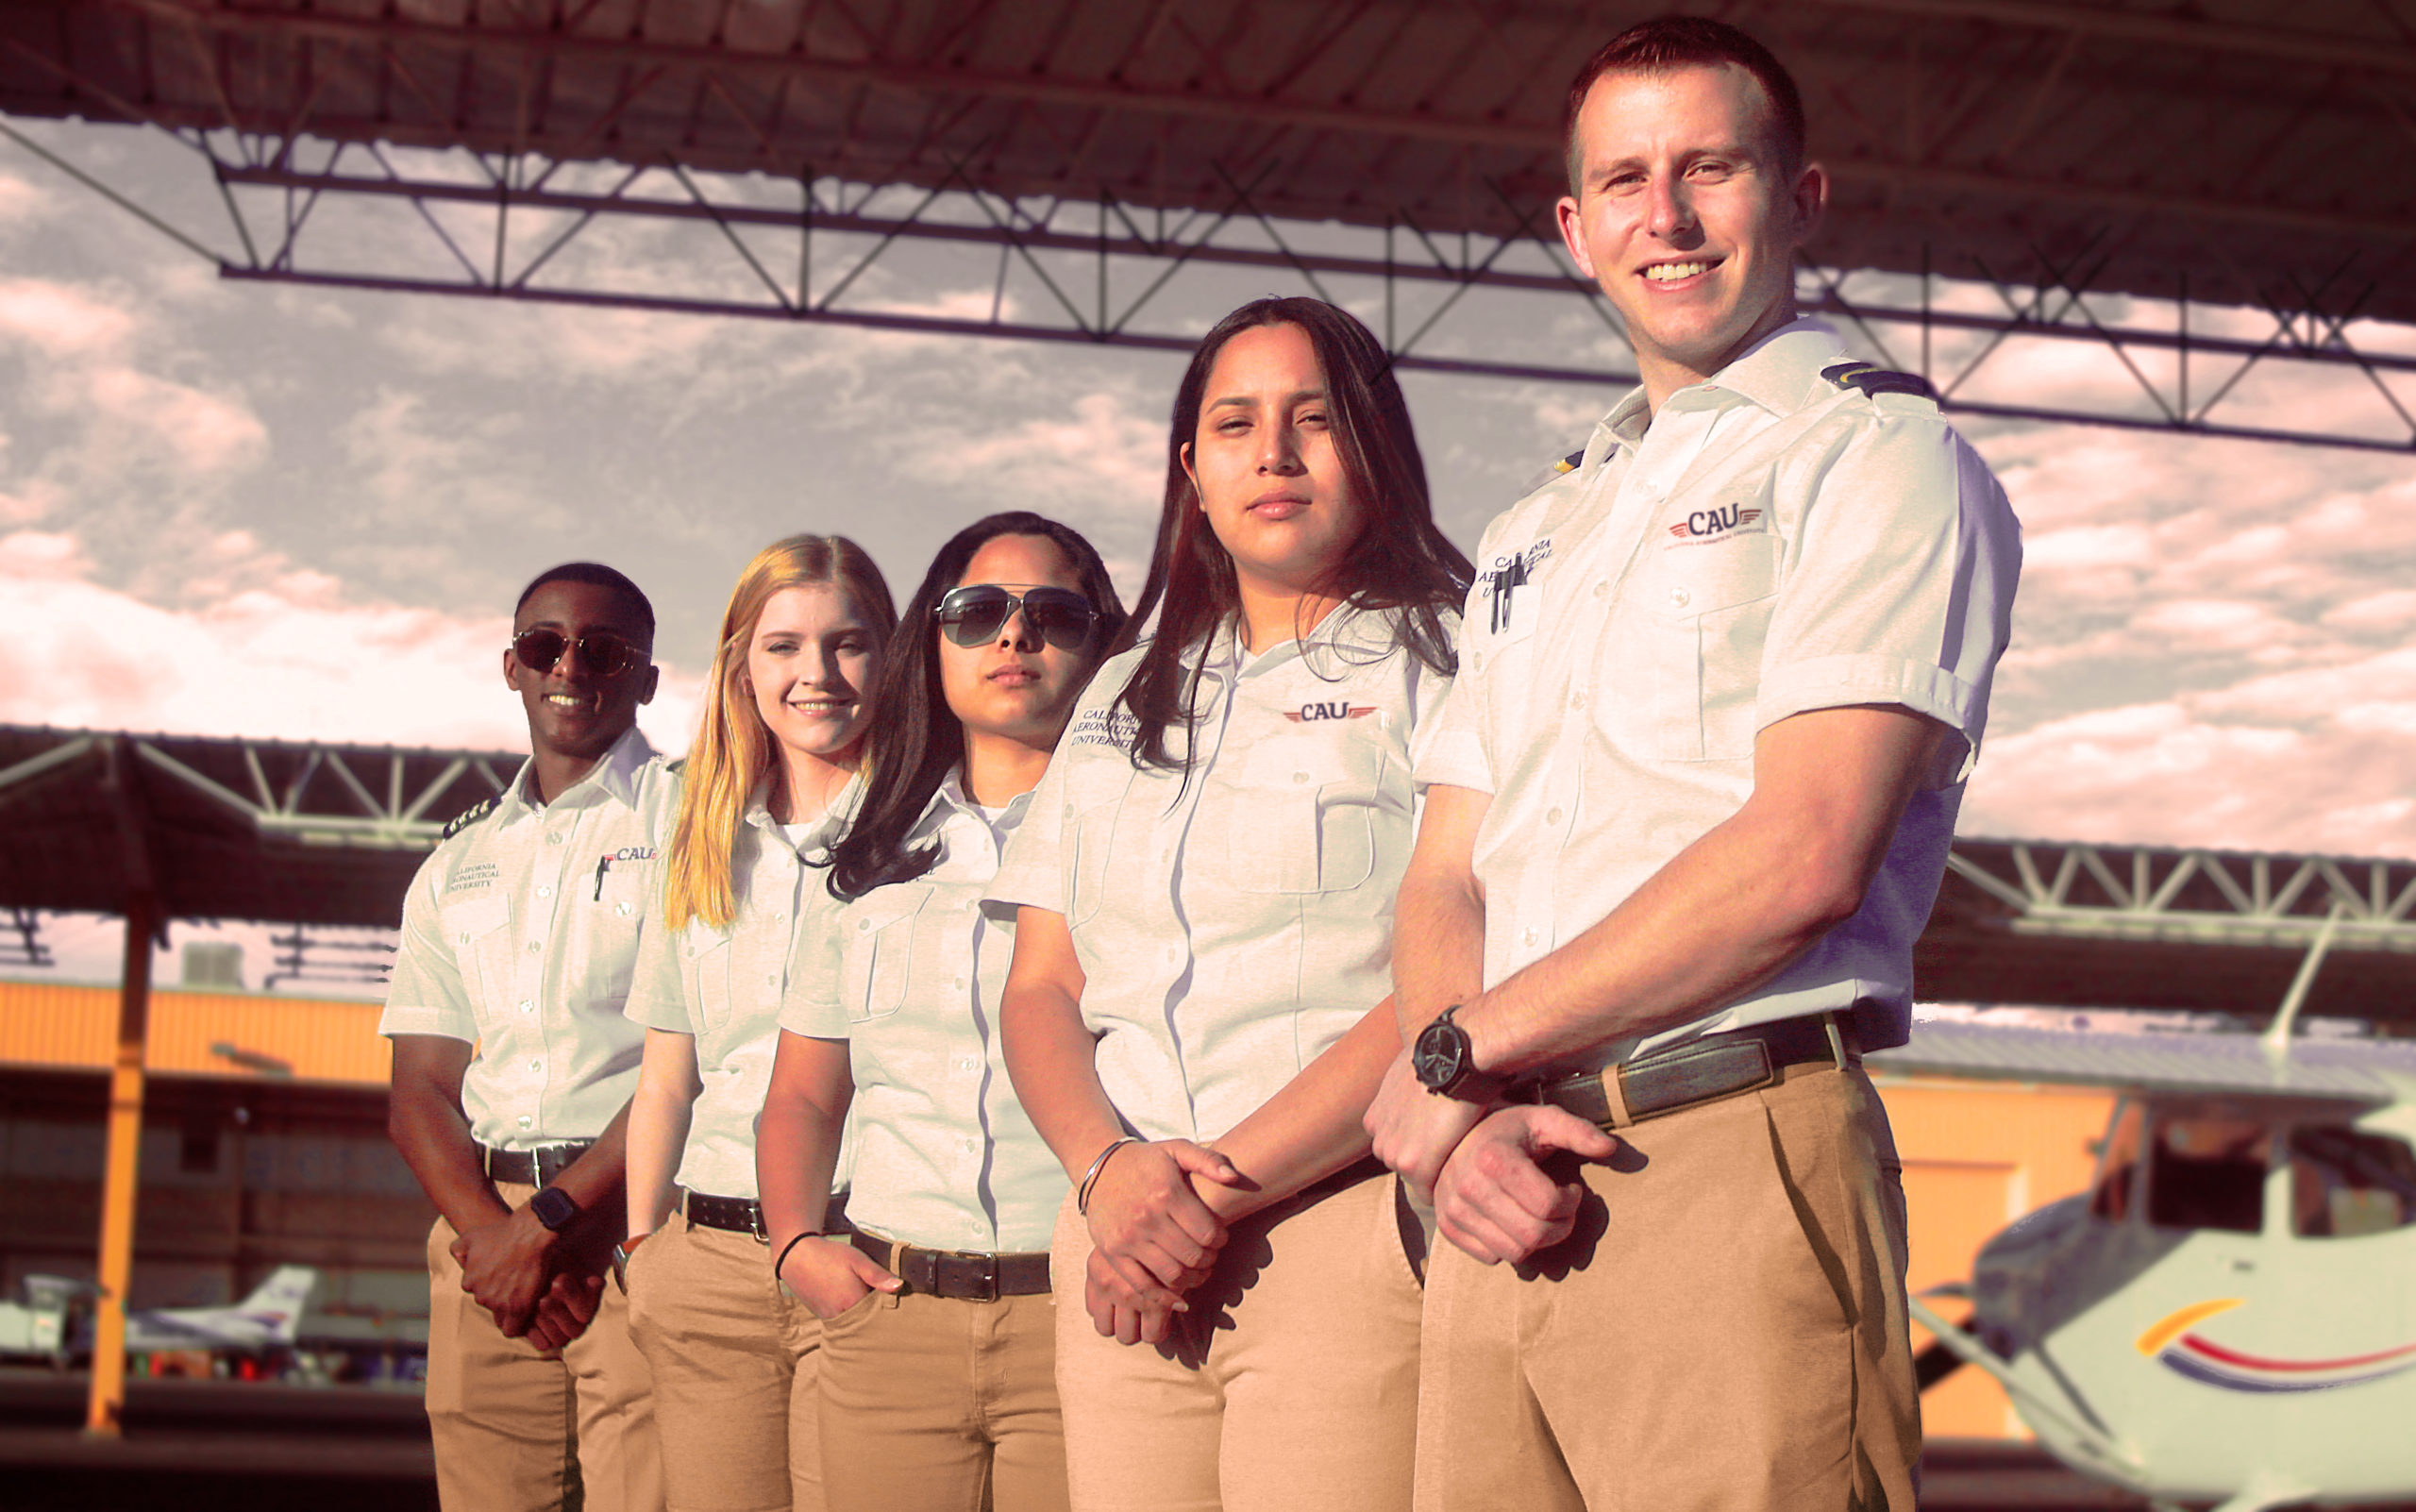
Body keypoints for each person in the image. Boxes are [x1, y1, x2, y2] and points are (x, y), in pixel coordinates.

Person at [1361, 17, 2022, 1512]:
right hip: (1502, 1176)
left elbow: (1804, 852)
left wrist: (1451, 1056)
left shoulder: (1876, 457)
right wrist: (1455, 1120)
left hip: (1726, 1151)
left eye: (1710, 169)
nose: (1665, 218)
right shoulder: (1541, 529)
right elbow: (1449, 866)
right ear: (1574, 228)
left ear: (1800, 195)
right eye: (1624, 180)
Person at [991, 296, 1472, 1512]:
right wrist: (1107, 1173)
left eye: (1314, 419)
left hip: (1340, 1224)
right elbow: (1043, 986)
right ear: (1190, 471)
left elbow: (1439, 977)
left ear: (1376, 448)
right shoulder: (1116, 697)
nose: (1274, 453)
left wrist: (1204, 1197)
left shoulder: (1450, 659)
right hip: (1117, 1234)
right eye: (1236, 423)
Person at [757, 511, 1127, 1512]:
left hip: (1089, 1315)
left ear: (1105, 647)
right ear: (933, 639)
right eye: (977, 612)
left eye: (1053, 613)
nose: (1014, 637)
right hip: (890, 1325)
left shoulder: (1149, 836)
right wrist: (796, 1246)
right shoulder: (868, 858)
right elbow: (801, 1091)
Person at [382, 562, 673, 1512]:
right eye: (546, 645)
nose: (571, 666)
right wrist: (494, 1243)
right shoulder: (455, 863)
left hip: (637, 1229)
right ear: (512, 665)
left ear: (647, 679)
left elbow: (697, 1057)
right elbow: (419, 1089)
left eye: (605, 649)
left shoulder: (694, 825)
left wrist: (556, 1228)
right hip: (485, 1251)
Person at [617, 535, 894, 1512]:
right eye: (782, 647)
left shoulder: (924, 832)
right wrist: (646, 1250)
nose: (814, 673)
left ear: (890, 657)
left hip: (863, 1255)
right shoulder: (701, 841)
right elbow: (666, 1074)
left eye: (847, 644)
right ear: (741, 663)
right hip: (706, 1273)